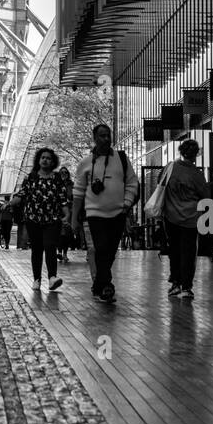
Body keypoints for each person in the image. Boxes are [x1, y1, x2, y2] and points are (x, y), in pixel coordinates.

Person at [71, 123, 139, 304]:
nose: (106, 139)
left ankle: (98, 285)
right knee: (101, 248)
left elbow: (132, 183)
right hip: (95, 214)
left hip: (118, 213)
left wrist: (126, 204)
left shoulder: (122, 159)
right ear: (95, 138)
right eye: (102, 135)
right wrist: (73, 219)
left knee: (109, 252)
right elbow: (78, 193)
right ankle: (107, 286)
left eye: (108, 135)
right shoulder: (86, 163)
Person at [159, 138, 210, 300]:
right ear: (196, 155)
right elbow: (206, 195)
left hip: (171, 217)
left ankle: (175, 283)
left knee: (174, 250)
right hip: (191, 219)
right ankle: (186, 287)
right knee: (188, 252)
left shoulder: (170, 168)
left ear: (180, 151)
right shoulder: (197, 174)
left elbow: (160, 186)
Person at [19, 147, 68, 294]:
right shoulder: (31, 177)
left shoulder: (57, 178)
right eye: (43, 157)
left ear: (53, 162)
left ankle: (52, 277)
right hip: (33, 219)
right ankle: (37, 279)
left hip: (52, 219)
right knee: (37, 249)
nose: (45, 160)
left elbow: (63, 199)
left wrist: (66, 215)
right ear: (39, 160)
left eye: (48, 158)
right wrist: (11, 203)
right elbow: (22, 193)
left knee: (50, 246)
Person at [57, 167, 74, 262]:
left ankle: (65, 253)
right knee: (60, 232)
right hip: (59, 211)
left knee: (67, 233)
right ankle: (59, 252)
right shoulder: (56, 183)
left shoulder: (71, 185)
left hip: (68, 211)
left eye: (65, 172)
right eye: (62, 172)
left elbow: (75, 196)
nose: (63, 174)